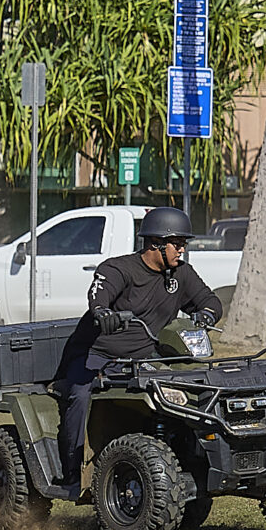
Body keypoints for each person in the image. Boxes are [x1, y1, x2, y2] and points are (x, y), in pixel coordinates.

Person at [55, 206, 223, 488]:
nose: (182, 250)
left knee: (192, 386)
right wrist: (102, 313)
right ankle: (71, 470)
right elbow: (99, 294)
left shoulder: (181, 274)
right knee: (79, 396)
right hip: (96, 356)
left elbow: (210, 300)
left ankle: (191, 459)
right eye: (177, 244)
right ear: (156, 244)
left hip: (147, 358)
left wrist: (206, 314)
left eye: (184, 244)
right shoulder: (118, 268)